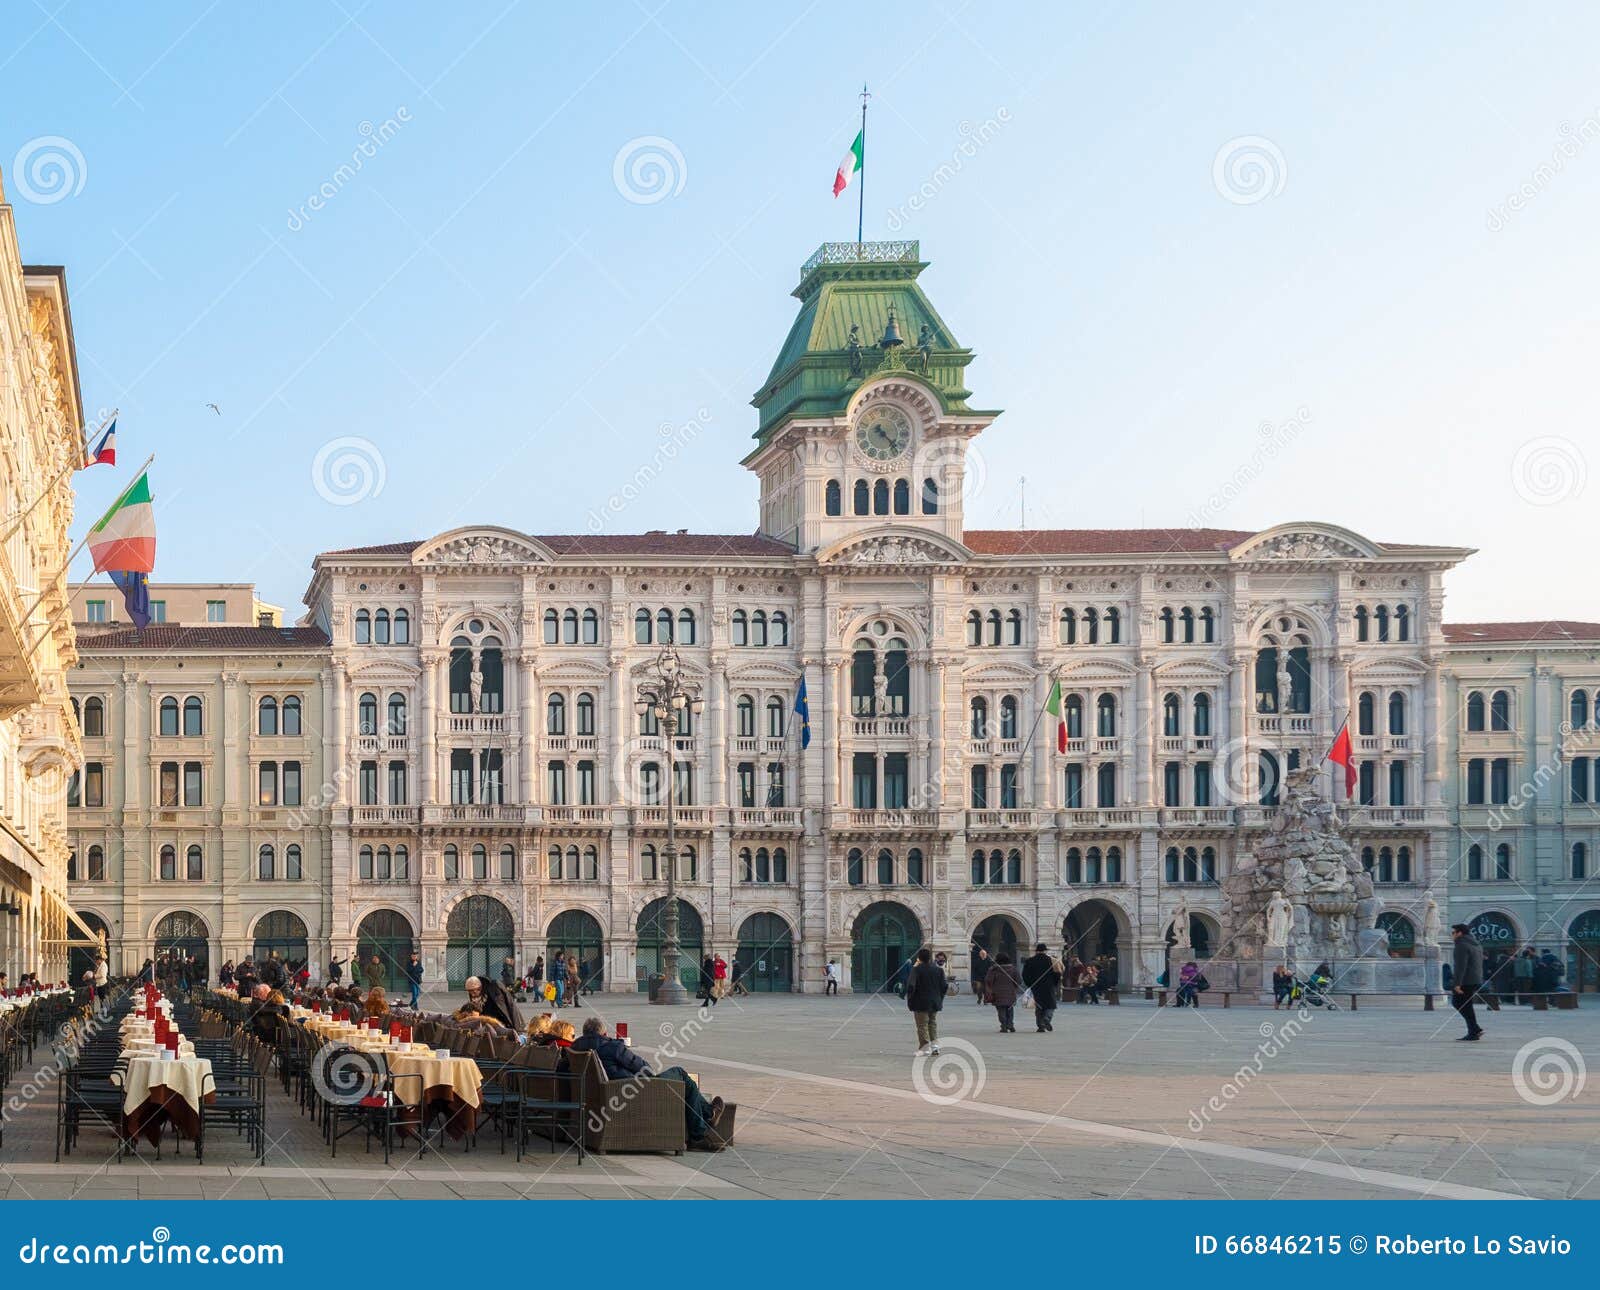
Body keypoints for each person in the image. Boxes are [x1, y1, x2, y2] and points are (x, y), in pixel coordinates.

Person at [569, 1017, 726, 1146]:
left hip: (606, 1094)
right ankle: (700, 1130)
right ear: (603, 1032)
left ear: (584, 1033)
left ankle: (708, 1113)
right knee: (681, 1074)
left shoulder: (575, 1048)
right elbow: (646, 1070)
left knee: (683, 1082)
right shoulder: (612, 1047)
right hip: (635, 1090)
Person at [905, 947, 946, 1055]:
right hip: (935, 1002)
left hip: (920, 1002)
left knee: (922, 1025)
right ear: (930, 958)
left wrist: (910, 999)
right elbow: (944, 986)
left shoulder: (916, 970)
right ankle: (935, 1046)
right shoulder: (939, 970)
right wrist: (940, 998)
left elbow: (911, 986)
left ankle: (925, 1048)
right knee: (932, 1023)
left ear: (919, 958)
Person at [1451, 923, 1485, 1040]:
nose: (1452, 935)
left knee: (1457, 1002)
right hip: (1475, 979)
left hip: (1465, 981)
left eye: (1453, 933)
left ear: (1460, 933)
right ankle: (1474, 1030)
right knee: (1467, 1005)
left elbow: (1460, 966)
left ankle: (1474, 1029)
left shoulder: (1461, 945)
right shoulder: (1476, 944)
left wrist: (1457, 984)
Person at [1021, 943, 1062, 1033]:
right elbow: (1058, 973)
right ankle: (1047, 1018)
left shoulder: (1030, 961)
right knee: (1051, 1004)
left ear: (1037, 951)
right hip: (1049, 986)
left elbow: (1025, 975)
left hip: (1036, 986)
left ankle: (1041, 1026)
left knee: (1039, 1006)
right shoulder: (1052, 960)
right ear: (1045, 951)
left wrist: (1030, 984)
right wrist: (1054, 983)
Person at [984, 953, 1022, 1033]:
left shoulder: (993, 970)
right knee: (1010, 1010)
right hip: (1010, 992)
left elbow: (988, 980)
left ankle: (1004, 1026)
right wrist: (1014, 987)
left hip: (997, 993)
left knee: (1001, 1010)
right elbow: (1018, 981)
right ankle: (1010, 1025)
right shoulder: (1013, 969)